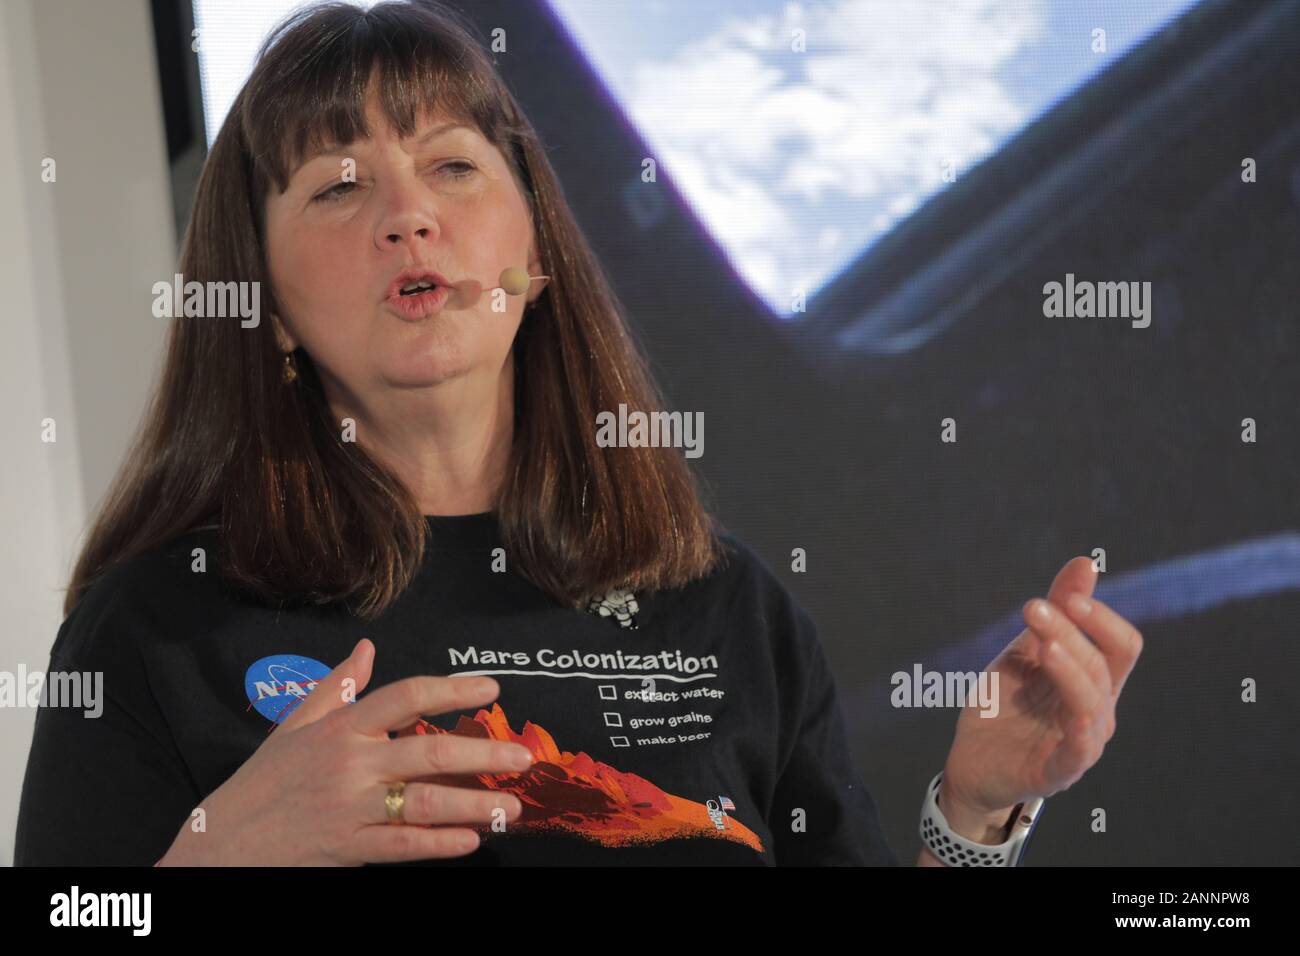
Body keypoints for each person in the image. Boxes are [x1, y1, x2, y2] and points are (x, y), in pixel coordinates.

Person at [13, 0, 1142, 867]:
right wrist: (216, 857)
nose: (409, 212)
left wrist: (978, 808)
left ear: (535, 246)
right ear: (262, 296)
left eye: (453, 165)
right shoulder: (154, 627)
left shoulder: (730, 604)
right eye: (337, 185)